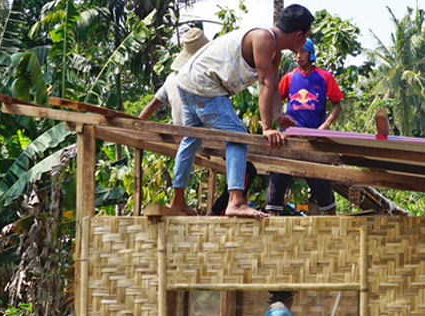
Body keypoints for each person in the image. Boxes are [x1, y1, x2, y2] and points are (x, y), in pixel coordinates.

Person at [160, 5, 314, 218]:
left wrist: (278, 113)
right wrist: (267, 128)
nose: (305, 41)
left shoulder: (274, 51)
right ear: (299, 35)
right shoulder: (263, 38)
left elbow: (273, 83)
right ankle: (236, 201)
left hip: (187, 83)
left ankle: (177, 201)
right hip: (205, 87)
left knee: (191, 138)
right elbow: (264, 84)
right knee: (238, 138)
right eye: (306, 36)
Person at [264, 39, 345, 216]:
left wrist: (324, 127)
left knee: (320, 178)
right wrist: (279, 115)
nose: (298, 56)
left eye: (302, 52)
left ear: (310, 53)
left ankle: (333, 221)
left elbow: (337, 105)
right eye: (295, 53)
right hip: (290, 136)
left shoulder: (324, 77)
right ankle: (271, 217)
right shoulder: (290, 77)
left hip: (314, 138)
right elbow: (275, 97)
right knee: (278, 172)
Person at [137, 28, 211, 125]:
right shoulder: (205, 77)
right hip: (204, 133)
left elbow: (153, 104)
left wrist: (136, 124)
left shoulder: (171, 78)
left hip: (179, 132)